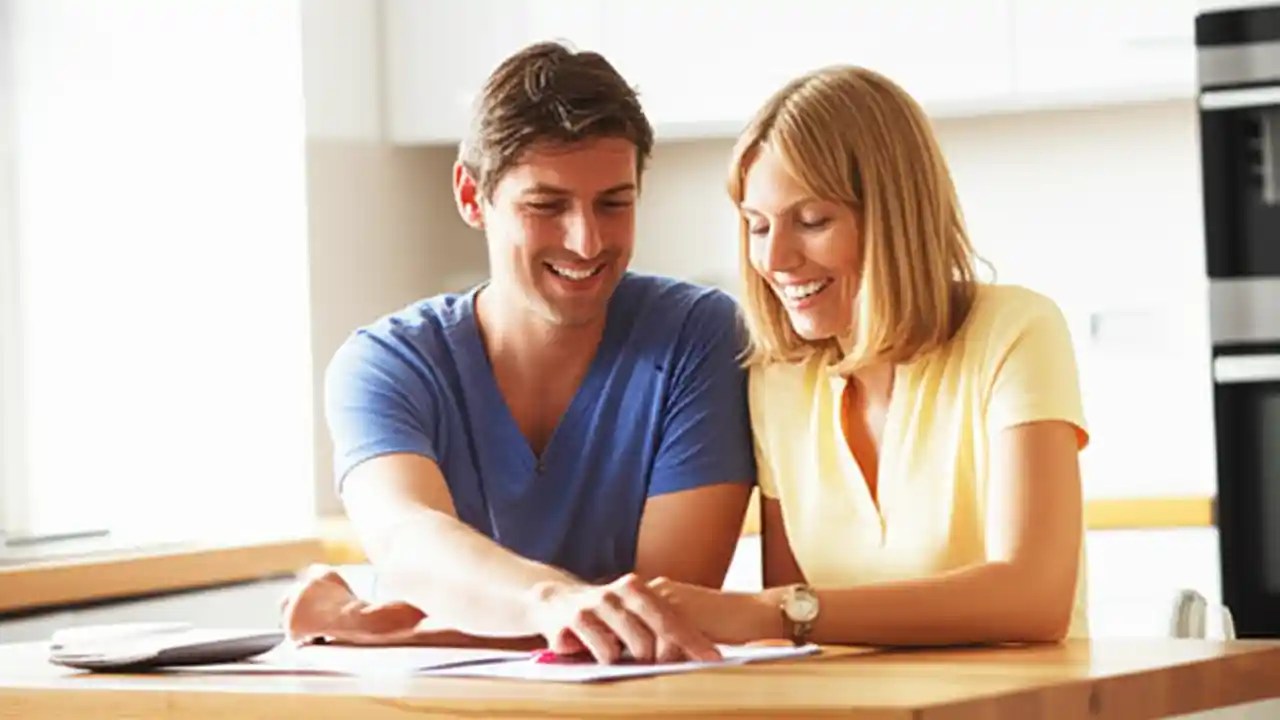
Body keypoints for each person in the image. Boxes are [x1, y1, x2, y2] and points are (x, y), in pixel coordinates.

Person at [281, 41, 756, 665]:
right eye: (546, 206)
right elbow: (407, 536)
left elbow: (655, 620)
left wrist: (388, 624)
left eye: (614, 203)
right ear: (472, 197)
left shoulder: (699, 337)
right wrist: (549, 603)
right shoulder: (385, 365)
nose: (586, 241)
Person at [649, 65, 1090, 647]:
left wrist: (773, 611)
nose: (776, 257)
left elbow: (1033, 598)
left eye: (812, 221)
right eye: (757, 227)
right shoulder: (779, 379)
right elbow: (794, 645)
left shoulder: (1015, 332)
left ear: (894, 216)